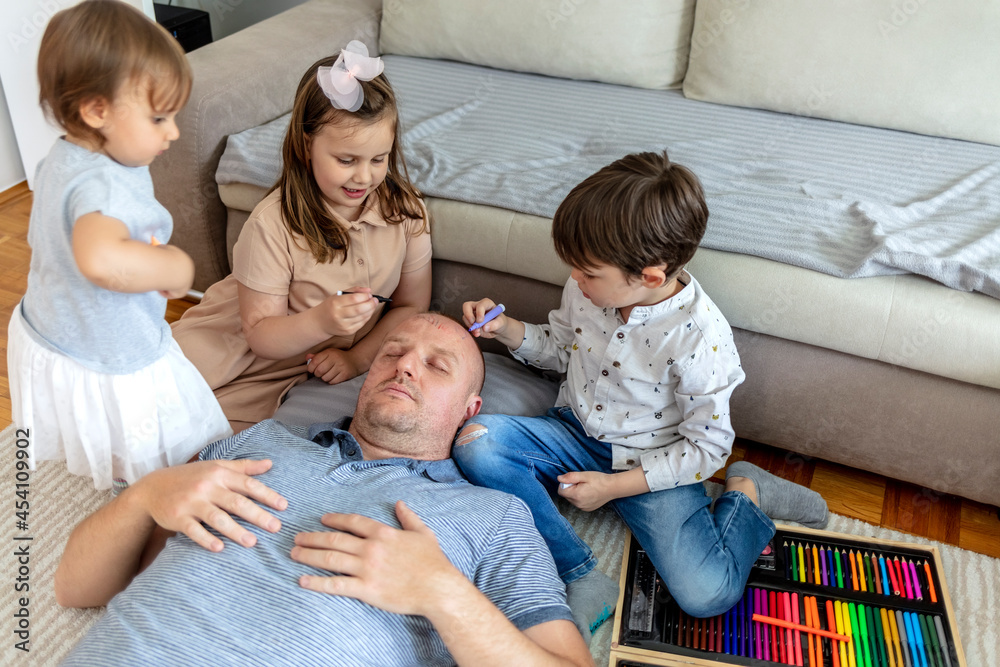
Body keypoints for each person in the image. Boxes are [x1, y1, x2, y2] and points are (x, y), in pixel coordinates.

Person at [54, 313, 593, 666]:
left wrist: (441, 593)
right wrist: (143, 497)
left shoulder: (494, 515)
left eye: (436, 365)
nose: (404, 364)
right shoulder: (261, 441)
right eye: (391, 352)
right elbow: (77, 590)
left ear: (470, 410)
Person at [456, 152, 829, 638]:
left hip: (650, 464)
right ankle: (579, 572)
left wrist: (611, 488)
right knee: (477, 442)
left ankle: (747, 493)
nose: (574, 280)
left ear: (650, 276)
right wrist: (506, 330)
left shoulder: (699, 339)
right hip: (575, 431)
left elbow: (706, 447)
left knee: (707, 594)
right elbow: (562, 349)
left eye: (588, 273)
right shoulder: (590, 292)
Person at [7, 0, 231, 493]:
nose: (172, 132)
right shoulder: (103, 187)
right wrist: (170, 267)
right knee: (180, 442)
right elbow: (100, 258)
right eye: (158, 119)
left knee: (111, 439)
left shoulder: (62, 157)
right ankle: (156, 503)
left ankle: (120, 474)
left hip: (56, 329)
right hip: (109, 349)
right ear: (96, 110)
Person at [171, 42, 431, 432]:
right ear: (307, 145)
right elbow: (260, 335)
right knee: (156, 421)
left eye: (379, 159)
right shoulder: (271, 223)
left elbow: (411, 305)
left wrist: (357, 359)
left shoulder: (406, 213)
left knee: (236, 451)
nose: (365, 177)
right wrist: (324, 321)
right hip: (237, 348)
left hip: (295, 371)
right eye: (347, 160)